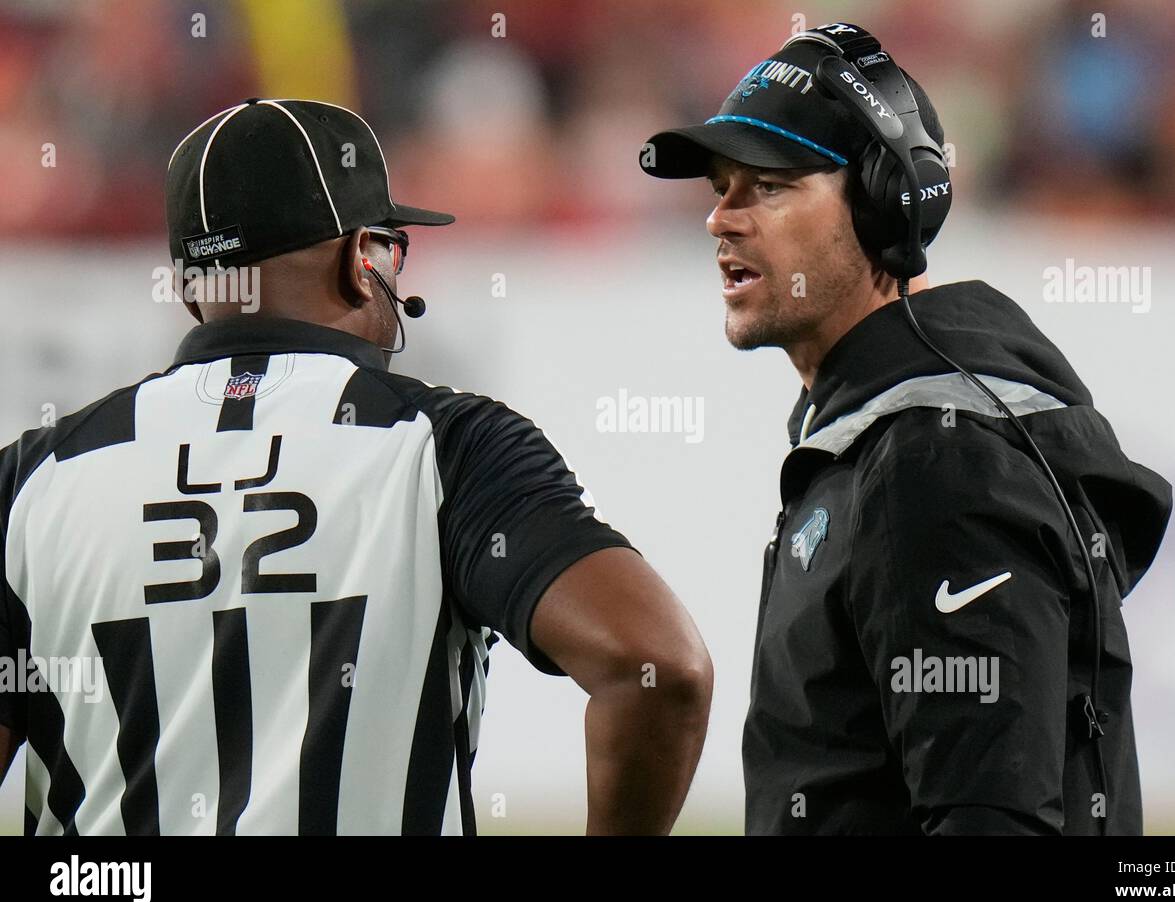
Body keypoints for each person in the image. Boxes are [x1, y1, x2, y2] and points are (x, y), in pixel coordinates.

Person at [0, 98, 712, 835]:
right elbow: (658, 666)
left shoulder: (33, 476)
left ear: (188, 289)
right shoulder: (446, 444)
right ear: (357, 259)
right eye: (392, 249)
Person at [641, 24, 1172, 834]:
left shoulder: (936, 459)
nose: (722, 218)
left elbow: (989, 820)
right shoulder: (879, 439)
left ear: (885, 203)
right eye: (721, 186)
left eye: (770, 185)